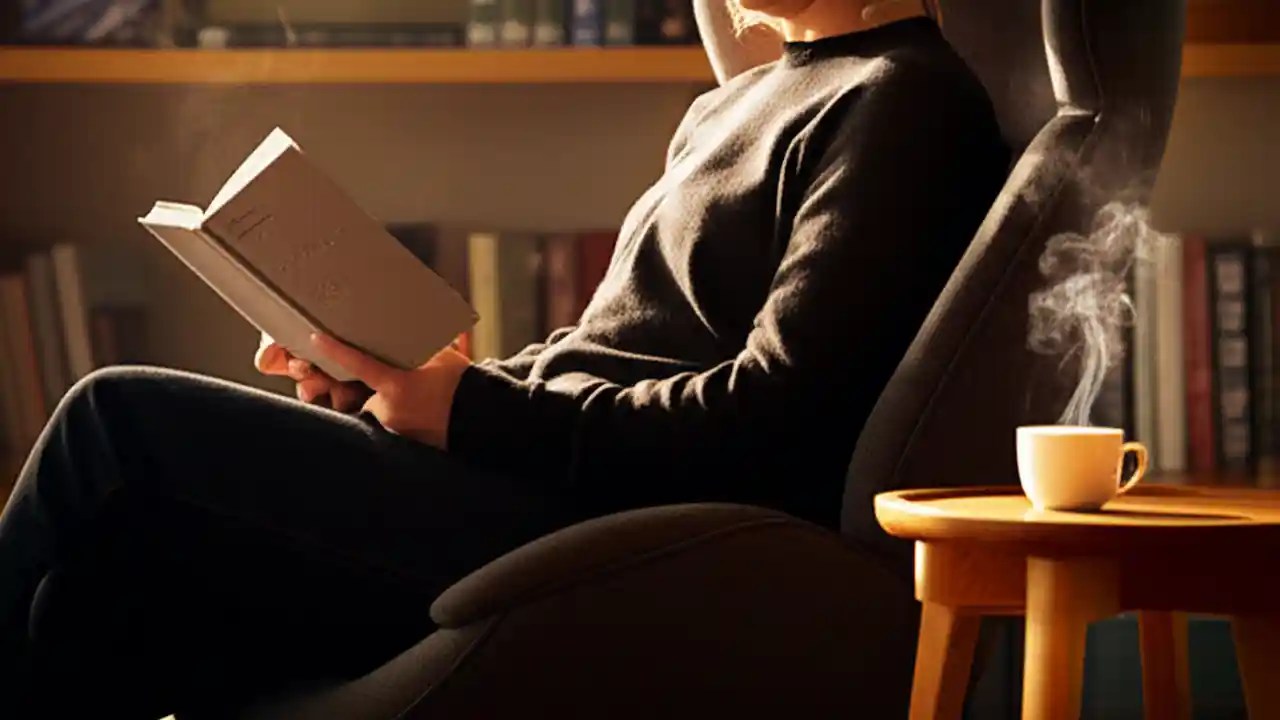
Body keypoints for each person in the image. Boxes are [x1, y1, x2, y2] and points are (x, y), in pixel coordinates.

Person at [0, 0, 1010, 716]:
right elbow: (606, 355)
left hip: (598, 531)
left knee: (114, 420)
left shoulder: (904, 105)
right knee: (102, 583)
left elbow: (771, 419)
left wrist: (468, 415)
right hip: (522, 475)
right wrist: (402, 387)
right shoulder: (733, 102)